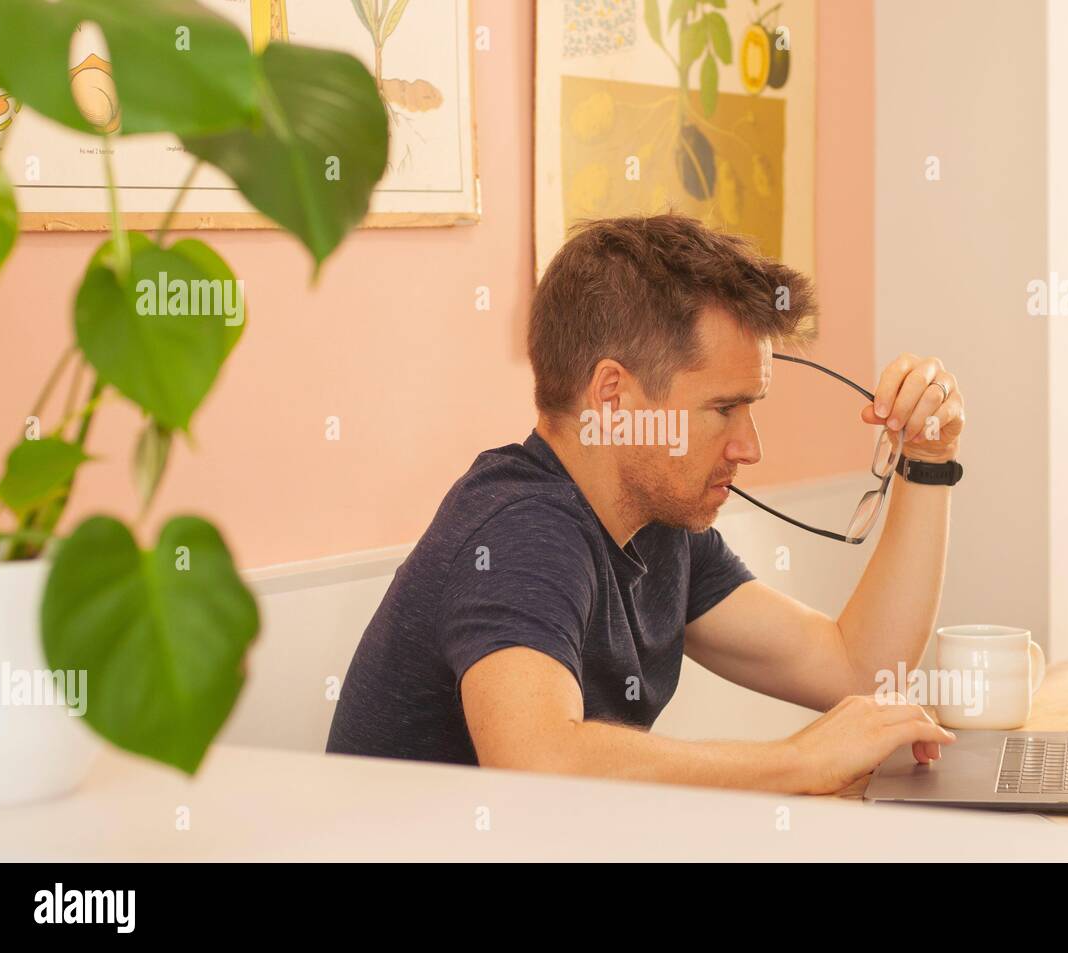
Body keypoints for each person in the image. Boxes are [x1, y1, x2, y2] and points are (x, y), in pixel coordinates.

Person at [327, 213, 965, 795]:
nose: (749, 447)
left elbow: (856, 668)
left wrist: (929, 462)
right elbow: (538, 762)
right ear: (613, 397)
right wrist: (799, 762)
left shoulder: (656, 521)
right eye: (723, 409)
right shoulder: (523, 529)